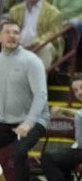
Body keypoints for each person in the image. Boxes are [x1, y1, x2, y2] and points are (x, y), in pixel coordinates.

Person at [0, 18, 48, 180]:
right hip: (6, 121)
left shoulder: (32, 61)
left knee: (18, 154)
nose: (12, 36)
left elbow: (41, 94)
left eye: (16, 32)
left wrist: (29, 122)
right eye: (7, 32)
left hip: (34, 121)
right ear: (0, 36)